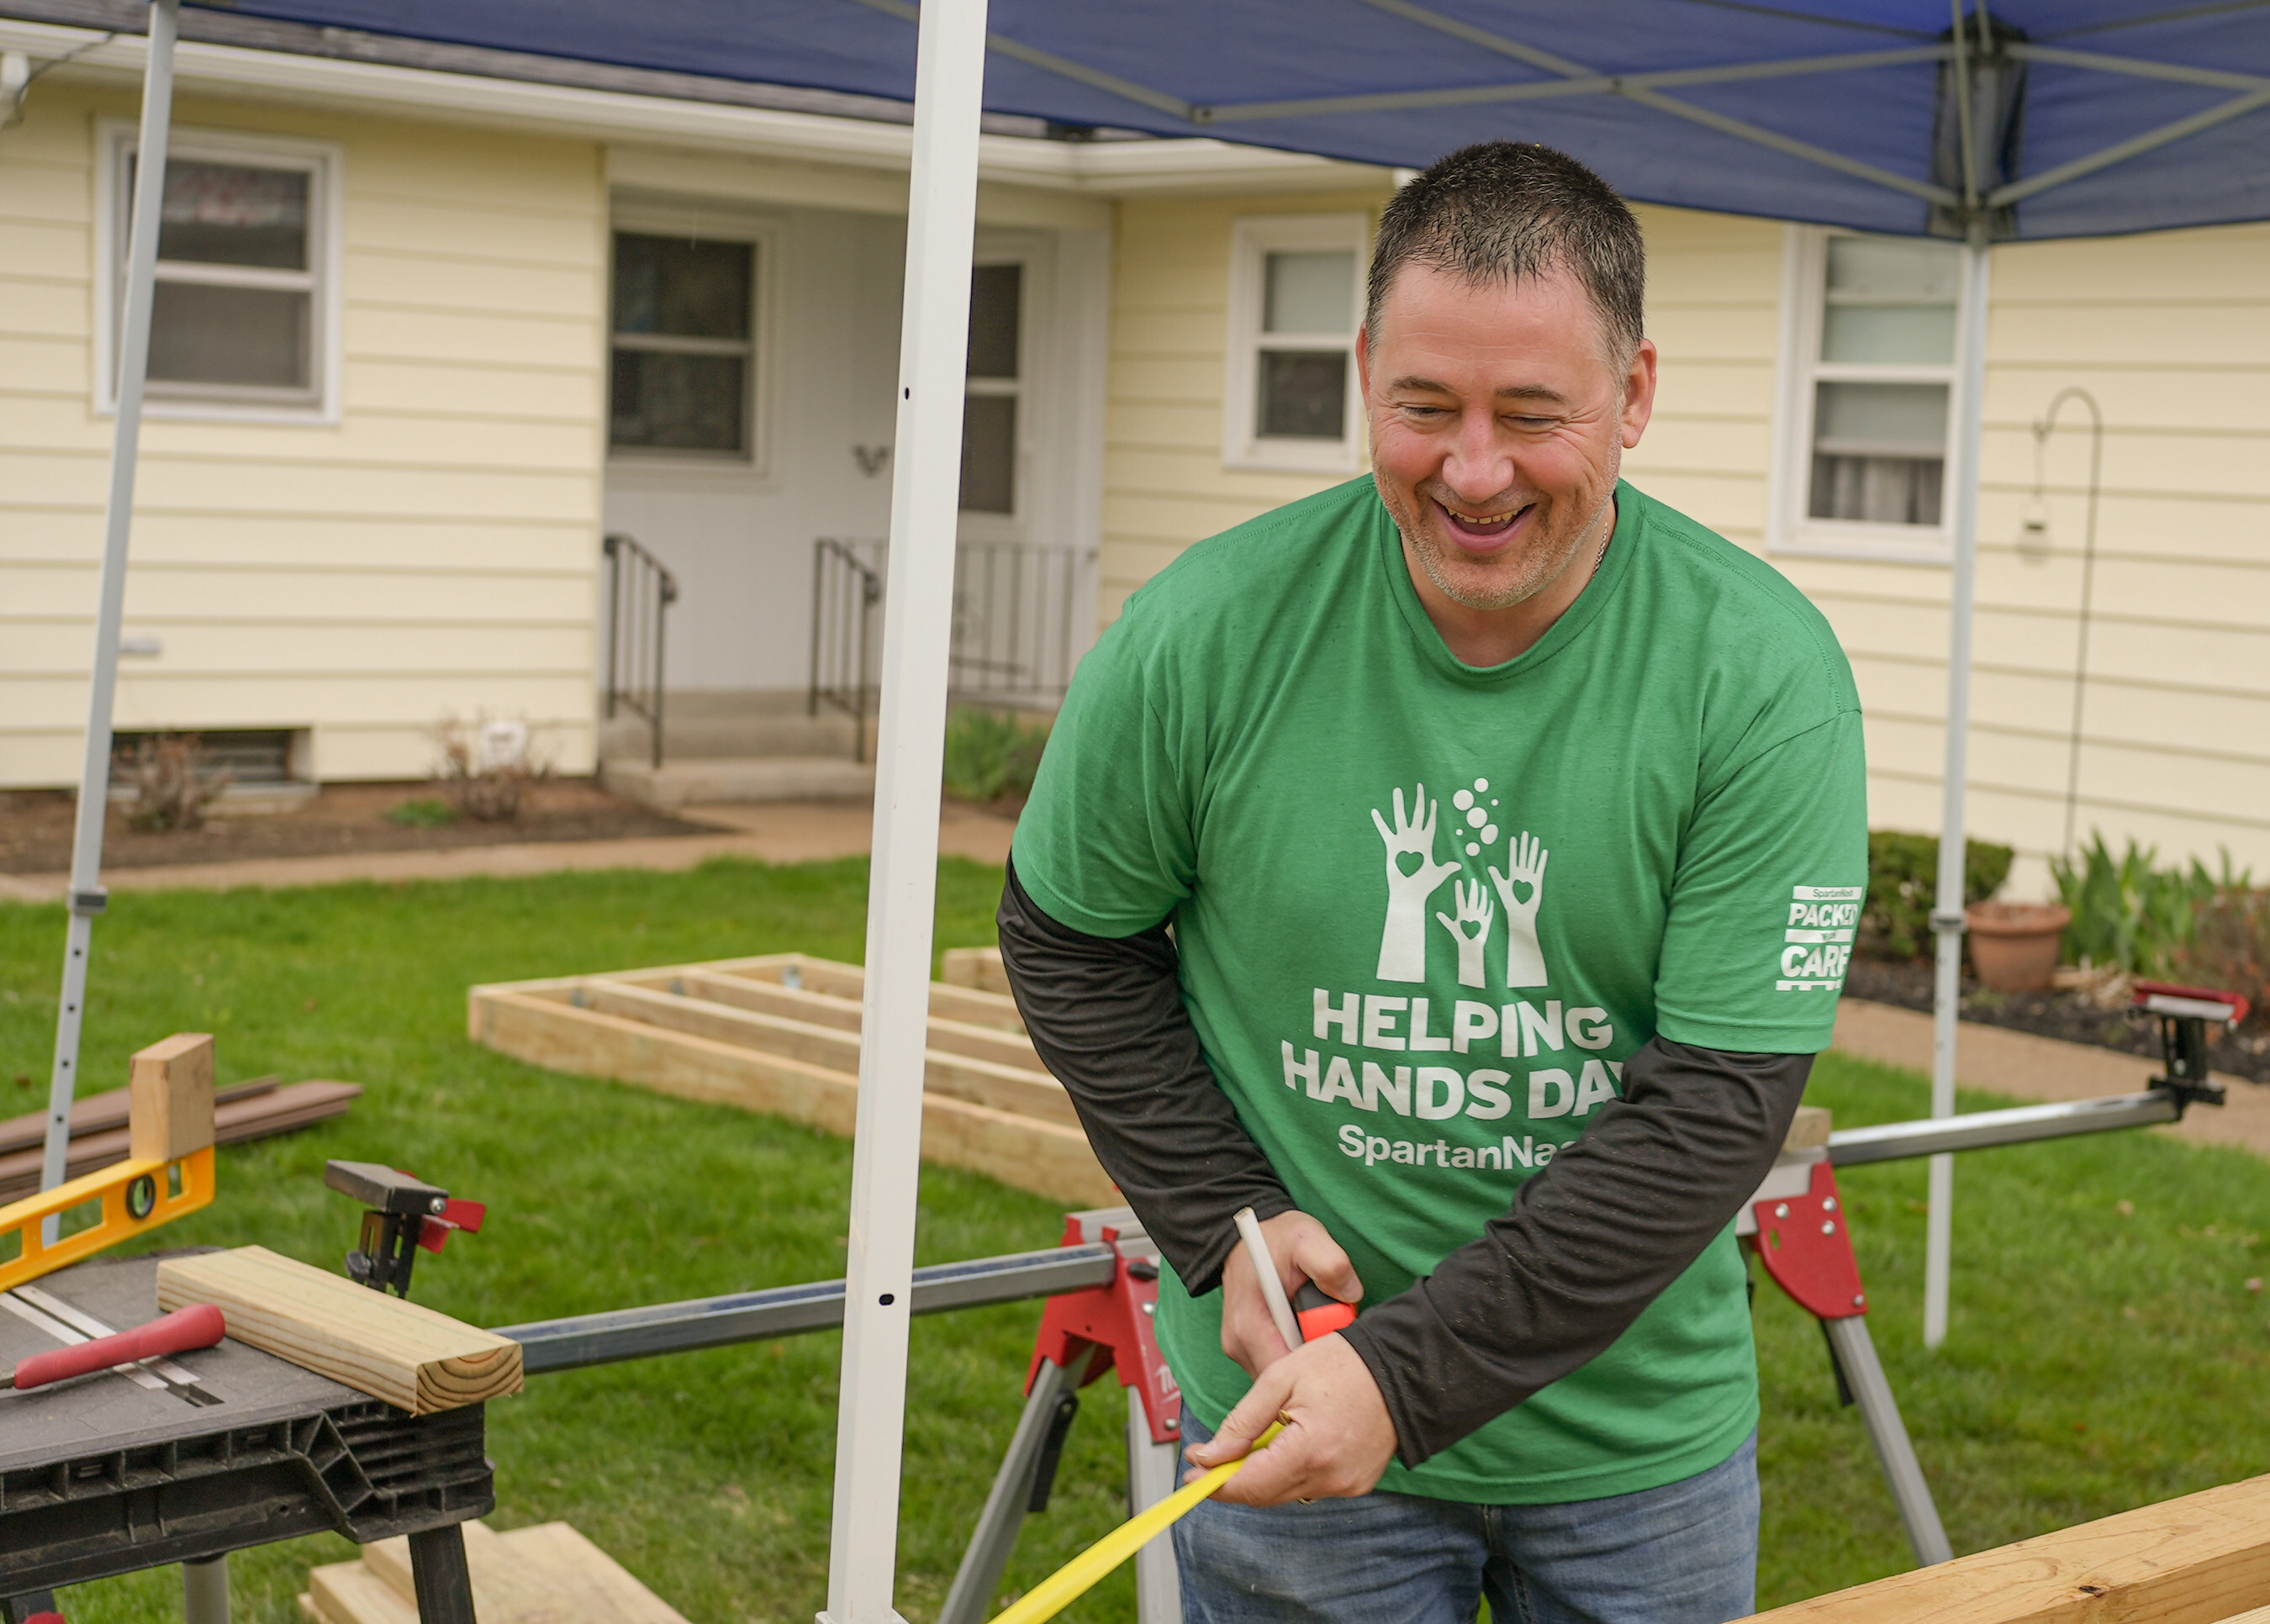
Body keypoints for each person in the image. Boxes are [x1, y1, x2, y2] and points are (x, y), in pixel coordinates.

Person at [996, 140, 1866, 1624]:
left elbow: (1716, 1107)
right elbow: (1071, 940)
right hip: (1291, 1432)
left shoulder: (1760, 675)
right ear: (1362, 377)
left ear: (1637, 394)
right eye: (1425, 409)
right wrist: (1222, 1213)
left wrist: (1400, 1376)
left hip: (1633, 1455)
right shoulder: (1205, 635)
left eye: (1533, 415)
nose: (1473, 472)